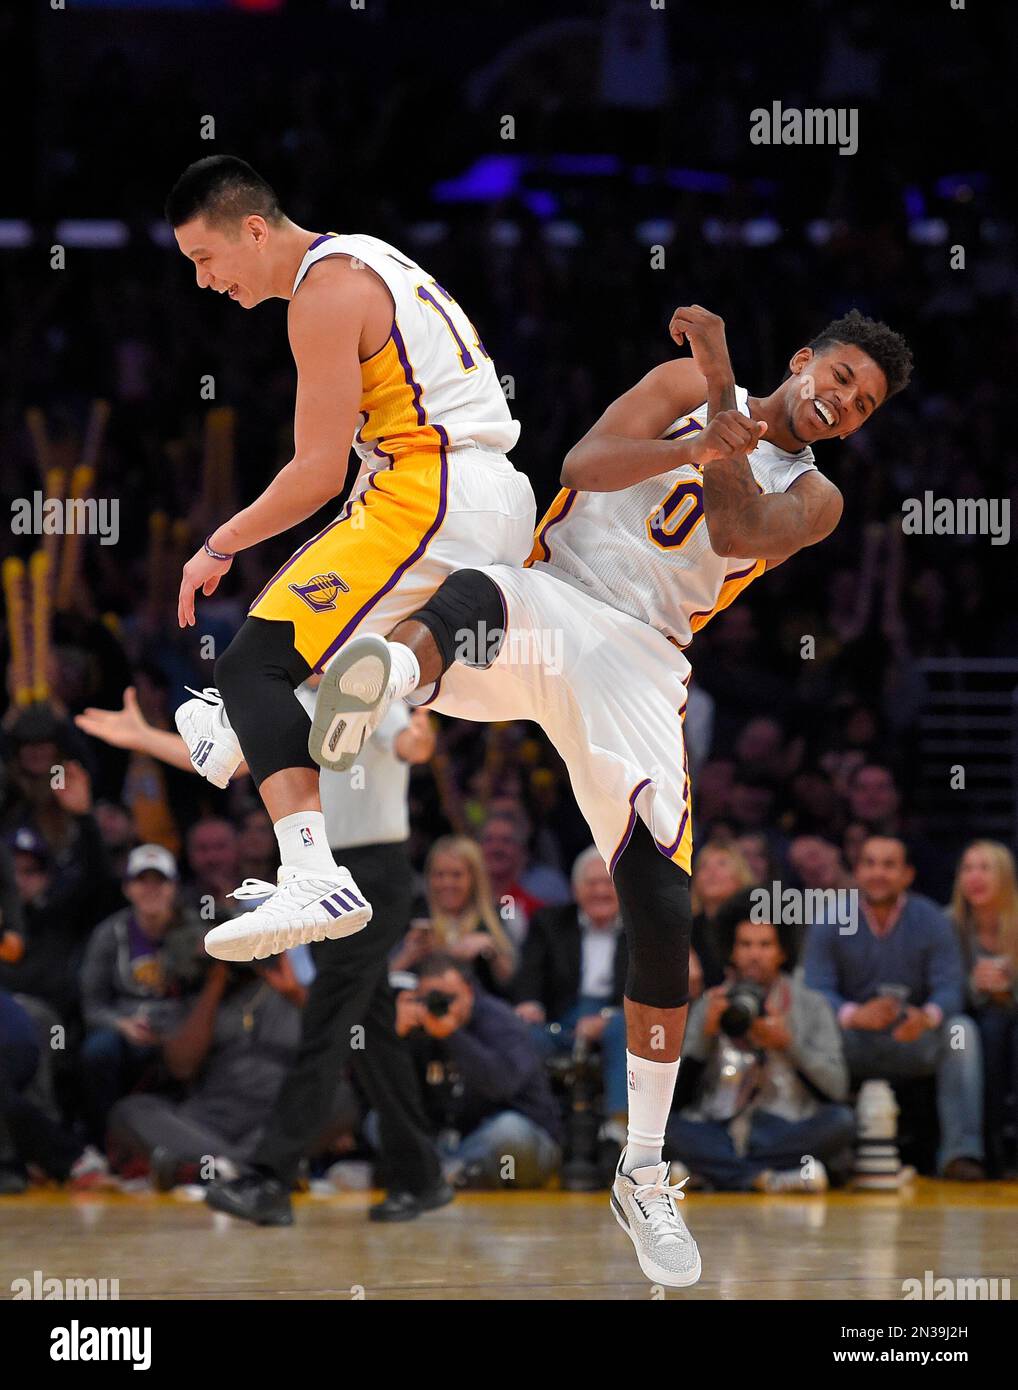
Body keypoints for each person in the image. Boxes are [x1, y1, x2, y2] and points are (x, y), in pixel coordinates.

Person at [313, 304, 913, 1284]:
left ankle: (642, 1168)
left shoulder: (817, 501)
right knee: (476, 592)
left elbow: (731, 524)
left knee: (663, 909)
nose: (844, 402)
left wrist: (727, 401)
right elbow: (582, 469)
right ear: (803, 359)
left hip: (642, 660)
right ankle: (378, 686)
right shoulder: (678, 388)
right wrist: (711, 399)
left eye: (862, 404)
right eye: (840, 375)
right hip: (558, 594)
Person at [163, 154, 535, 958]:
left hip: (430, 491)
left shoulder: (323, 292)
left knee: (250, 661)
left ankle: (312, 873)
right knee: (276, 668)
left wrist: (217, 544)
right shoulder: (365, 256)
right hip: (484, 495)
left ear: (254, 229)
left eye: (205, 258)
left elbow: (316, 474)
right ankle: (235, 732)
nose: (203, 281)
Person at [77, 683, 449, 1223]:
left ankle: (271, 1179)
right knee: (372, 1035)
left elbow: (412, 746)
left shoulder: (367, 681)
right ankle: (423, 1175)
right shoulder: (291, 695)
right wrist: (141, 737)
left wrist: (422, 730)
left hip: (370, 875)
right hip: (320, 878)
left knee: (323, 1026)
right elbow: (224, 764)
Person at [804, 835, 986, 1180]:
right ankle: (824, 1152)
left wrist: (927, 1016)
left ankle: (961, 1154)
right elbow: (814, 990)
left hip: (911, 1036)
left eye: (889, 865)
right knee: (809, 1031)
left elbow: (950, 986)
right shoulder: (830, 918)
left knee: (963, 1032)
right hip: (849, 1041)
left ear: (907, 874)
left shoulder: (932, 919)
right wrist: (852, 1014)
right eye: (870, 864)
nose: (878, 873)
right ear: (857, 872)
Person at [666, 895, 854, 1192]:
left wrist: (789, 1045)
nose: (755, 955)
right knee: (663, 1129)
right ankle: (767, 1178)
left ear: (782, 952)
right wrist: (704, 1037)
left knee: (840, 1122)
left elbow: (837, 1087)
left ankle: (714, 1171)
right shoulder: (711, 1004)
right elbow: (675, 1098)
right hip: (718, 1123)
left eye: (765, 945)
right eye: (746, 945)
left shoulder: (811, 1004)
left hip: (783, 1124)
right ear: (732, 951)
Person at [395, 953, 561, 1189]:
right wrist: (397, 1038)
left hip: (523, 1143)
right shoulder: (419, 1024)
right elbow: (395, 1096)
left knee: (508, 1131)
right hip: (452, 1141)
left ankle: (440, 1172)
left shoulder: (501, 1021)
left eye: (449, 998)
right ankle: (456, 1172)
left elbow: (499, 1085)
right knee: (381, 1120)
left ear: (470, 992)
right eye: (431, 998)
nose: (441, 1006)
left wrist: (452, 1036)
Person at [78, 844, 204, 1146]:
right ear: (127, 888)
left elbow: (205, 996)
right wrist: (123, 1025)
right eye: (141, 881)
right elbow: (92, 1004)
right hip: (126, 1026)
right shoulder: (109, 934)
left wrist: (180, 1029)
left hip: (181, 1028)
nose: (151, 889)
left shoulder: (196, 932)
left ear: (173, 887)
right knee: (97, 1051)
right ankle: (103, 1144)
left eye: (159, 881)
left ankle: (192, 1144)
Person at [514, 846, 627, 1140]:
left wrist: (607, 1018)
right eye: (591, 884)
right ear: (576, 890)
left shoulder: (639, 930)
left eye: (608, 883)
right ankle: (540, 1127)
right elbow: (529, 973)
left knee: (623, 1025)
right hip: (562, 1018)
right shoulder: (549, 923)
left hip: (616, 1018)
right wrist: (529, 1003)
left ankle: (618, 1129)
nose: (600, 892)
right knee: (523, 1034)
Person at [949, 840, 1018, 1177]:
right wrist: (974, 986)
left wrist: (1010, 988)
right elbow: (942, 988)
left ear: (1004, 875)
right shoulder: (948, 924)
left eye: (984, 868)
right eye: (967, 868)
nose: (974, 877)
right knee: (975, 1033)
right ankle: (983, 1147)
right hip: (964, 1022)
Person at [391, 835, 516, 996]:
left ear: (474, 878)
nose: (447, 883)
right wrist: (408, 956)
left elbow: (513, 983)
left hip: (478, 1008)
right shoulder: (415, 916)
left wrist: (490, 948)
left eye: (456, 875)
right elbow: (383, 979)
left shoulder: (493, 917)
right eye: (439, 875)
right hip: (418, 1006)